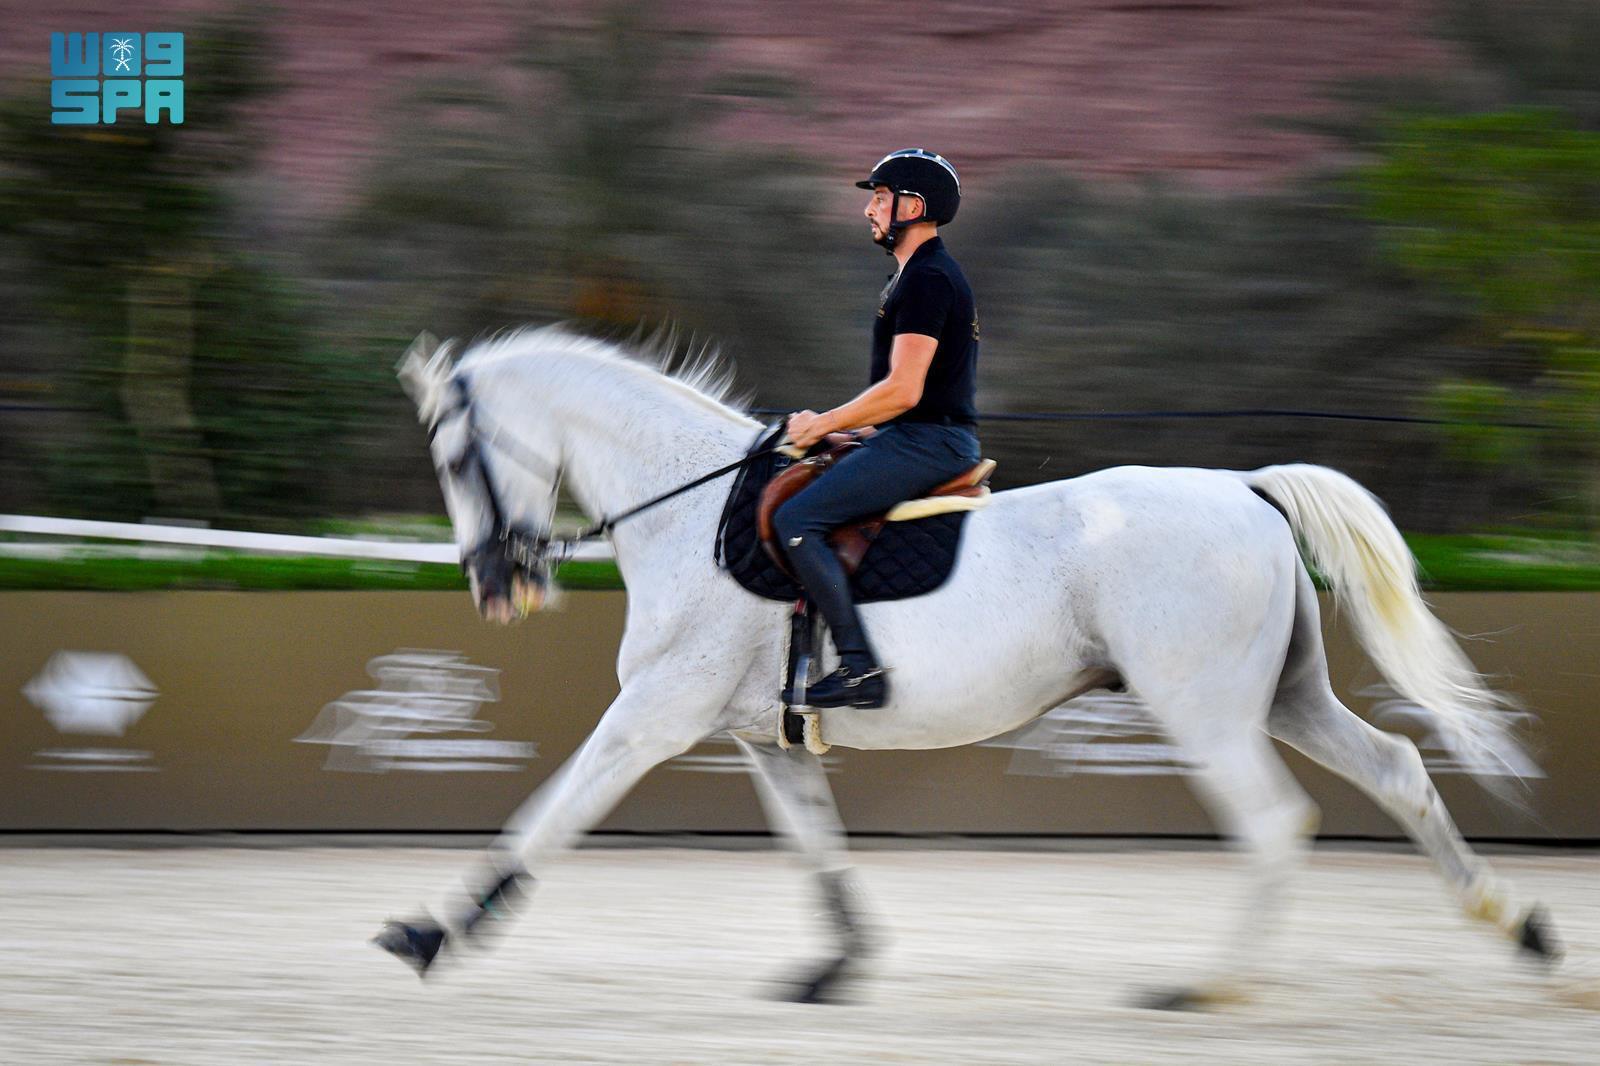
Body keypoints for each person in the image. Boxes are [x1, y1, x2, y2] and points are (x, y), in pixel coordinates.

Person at [775, 148, 982, 710]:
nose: (869, 210)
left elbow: (903, 391)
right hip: (912, 437)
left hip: (928, 442)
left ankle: (861, 668)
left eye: (880, 198)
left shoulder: (928, 280)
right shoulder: (914, 275)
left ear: (912, 207)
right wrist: (852, 435)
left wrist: (824, 421)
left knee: (796, 518)